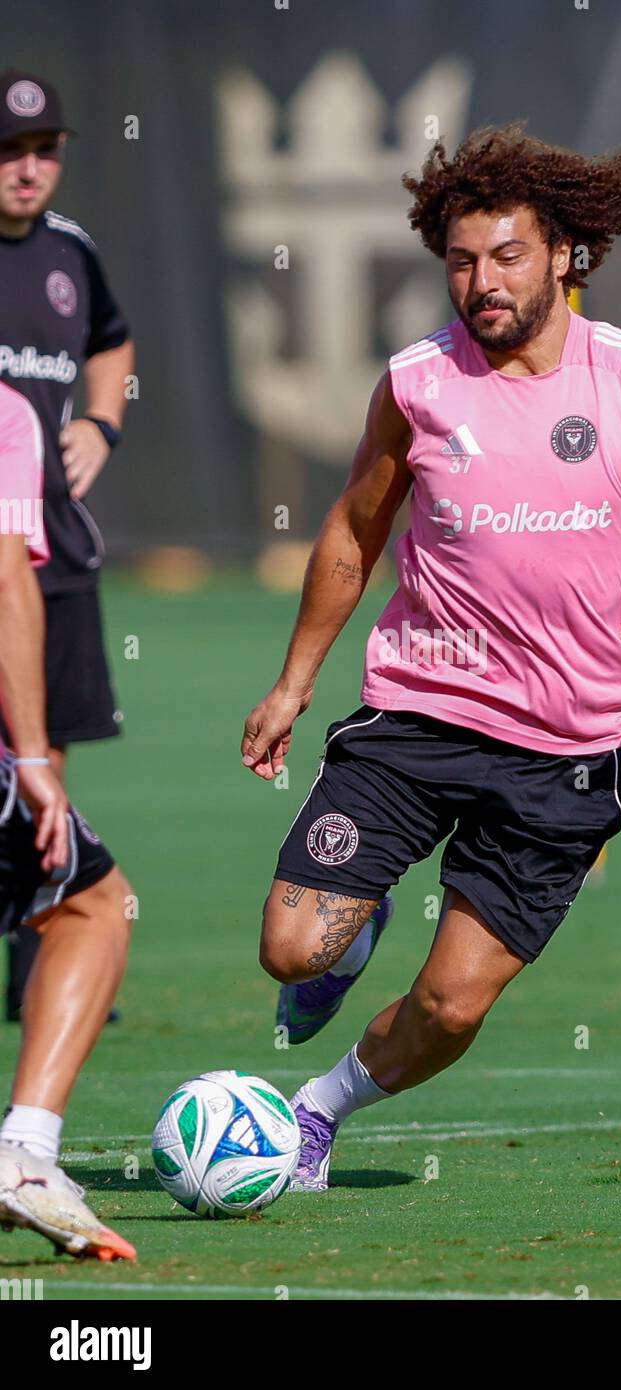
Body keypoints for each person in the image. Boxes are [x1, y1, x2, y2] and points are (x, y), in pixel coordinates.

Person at [241, 124, 621, 1191]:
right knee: (292, 951)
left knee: (449, 1004)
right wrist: (293, 683)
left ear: (564, 252)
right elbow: (351, 531)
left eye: (507, 255)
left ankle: (318, 1111)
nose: (481, 282)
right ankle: (363, 907)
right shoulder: (417, 384)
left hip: (567, 756)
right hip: (419, 717)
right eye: (461, 260)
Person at [0, 68, 133, 1019]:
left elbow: (114, 341)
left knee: (47, 745)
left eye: (44, 151)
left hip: (54, 543)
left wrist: (101, 422)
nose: (28, 169)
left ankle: (38, 947)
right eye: (10, 151)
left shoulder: (71, 253)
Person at [0, 380, 135, 1258]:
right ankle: (26, 1155)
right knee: (94, 906)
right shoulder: (8, 416)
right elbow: (4, 574)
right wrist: (36, 757)